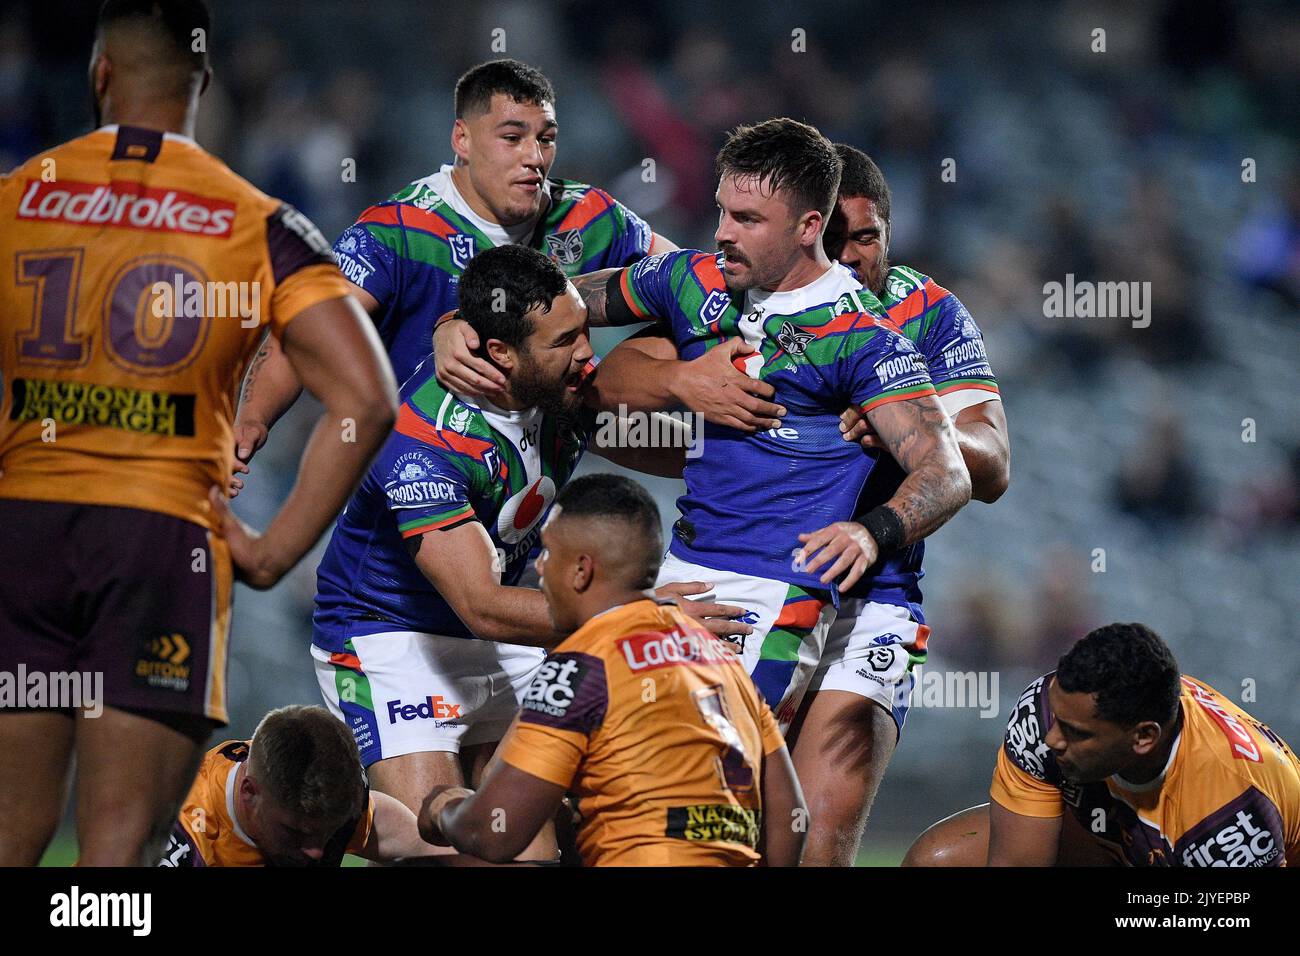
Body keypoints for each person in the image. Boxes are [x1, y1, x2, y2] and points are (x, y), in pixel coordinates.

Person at [0, 0, 396, 866]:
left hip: (24, 530)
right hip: (161, 540)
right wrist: (272, 552)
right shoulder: (258, 223)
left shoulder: (17, 198)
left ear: (100, 74)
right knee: (115, 850)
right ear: (202, 84)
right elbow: (366, 400)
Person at [311, 244, 741, 860]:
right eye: (565, 341)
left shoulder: (557, 395)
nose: (588, 354)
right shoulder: (421, 442)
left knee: (531, 851)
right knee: (441, 854)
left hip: (510, 633)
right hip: (391, 641)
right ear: (502, 355)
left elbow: (689, 458)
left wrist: (797, 442)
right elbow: (480, 605)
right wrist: (644, 615)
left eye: (584, 332)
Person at [232, 58, 776, 489]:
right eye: (512, 137)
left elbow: (688, 281)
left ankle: (755, 469)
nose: (535, 156)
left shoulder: (587, 217)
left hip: (533, 495)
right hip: (424, 485)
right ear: (462, 140)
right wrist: (250, 424)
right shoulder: (397, 231)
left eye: (546, 138)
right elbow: (305, 333)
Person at [420, 474, 806, 866]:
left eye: (549, 552)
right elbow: (792, 817)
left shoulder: (578, 665)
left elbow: (497, 834)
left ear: (581, 570)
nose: (539, 565)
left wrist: (444, 808)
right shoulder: (720, 658)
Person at [904, 623, 1300, 867]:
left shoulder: (1233, 819)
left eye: (1077, 733)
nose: (1051, 738)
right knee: (937, 861)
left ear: (1144, 737)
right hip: (1119, 835)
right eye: (1058, 717)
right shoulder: (1039, 712)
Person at [159, 705, 441, 866]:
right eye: (294, 831)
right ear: (248, 792)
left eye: (328, 833)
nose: (316, 850)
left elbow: (413, 842)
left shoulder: (327, 803)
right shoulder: (183, 842)